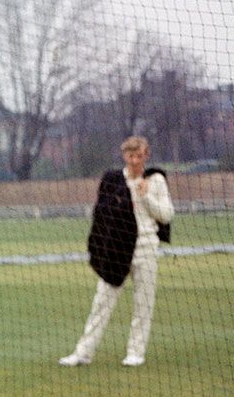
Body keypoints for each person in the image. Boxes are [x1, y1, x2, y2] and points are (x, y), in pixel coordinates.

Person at [60, 135, 174, 368]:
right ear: (125, 156)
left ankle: (135, 352)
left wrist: (146, 197)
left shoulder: (156, 181)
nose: (135, 161)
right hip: (117, 252)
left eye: (139, 156)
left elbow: (166, 215)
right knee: (101, 303)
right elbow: (101, 216)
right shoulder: (112, 181)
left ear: (146, 155)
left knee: (143, 304)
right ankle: (83, 353)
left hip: (145, 251)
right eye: (131, 156)